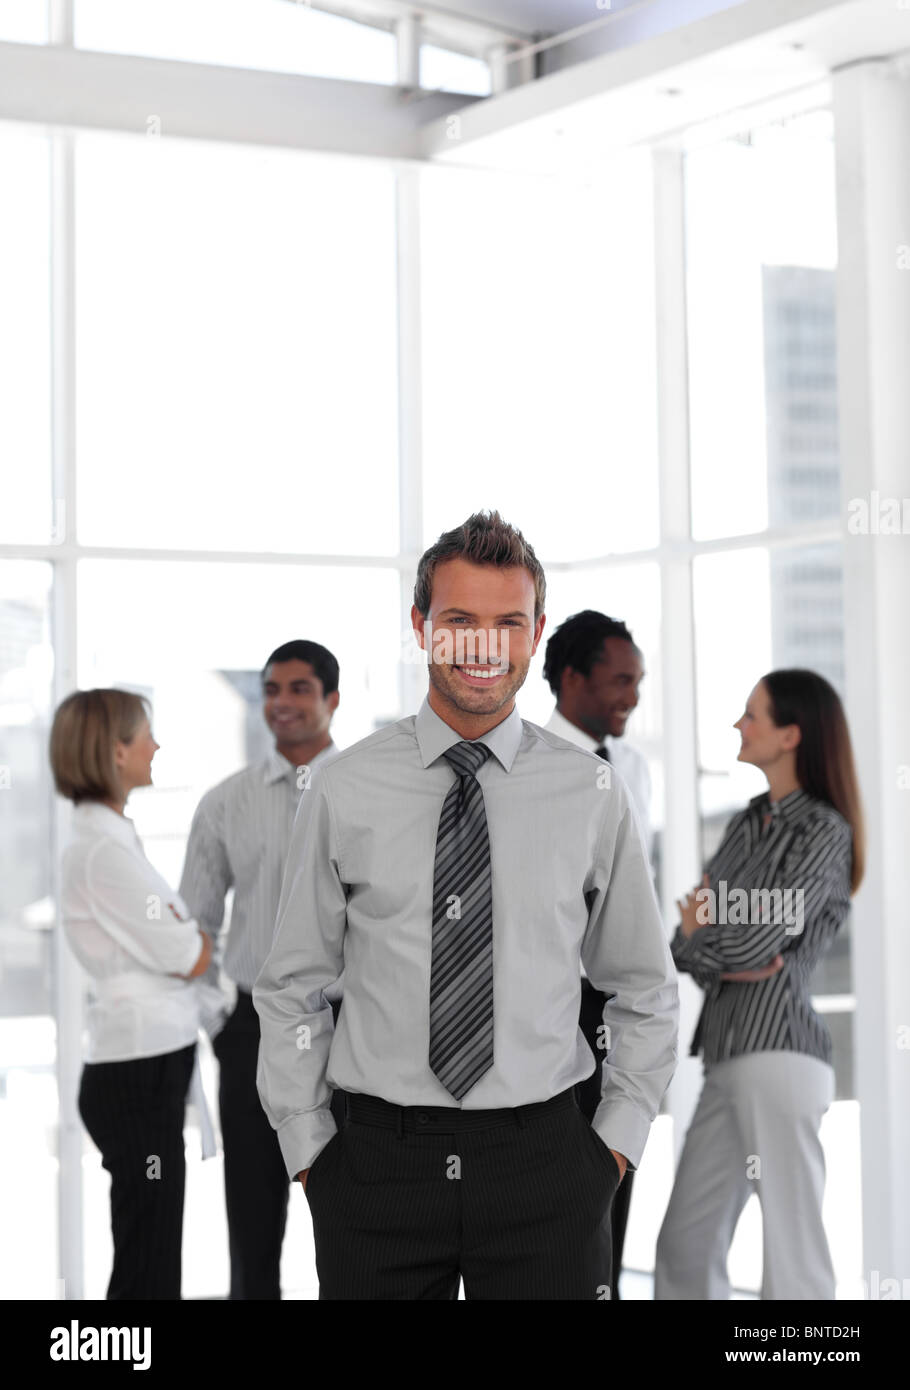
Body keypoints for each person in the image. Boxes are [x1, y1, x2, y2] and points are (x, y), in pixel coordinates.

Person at [254, 510, 678, 1300]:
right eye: (459, 620)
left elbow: (643, 985)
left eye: (508, 622)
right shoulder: (345, 788)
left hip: (547, 1165)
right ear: (421, 626)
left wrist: (612, 1149)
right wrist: (312, 1151)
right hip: (377, 1170)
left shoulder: (589, 792)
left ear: (536, 634)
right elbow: (291, 985)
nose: (484, 645)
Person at [655, 669, 864, 1301]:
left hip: (782, 1057)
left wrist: (711, 932)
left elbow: (744, 939)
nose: (738, 726)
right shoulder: (748, 824)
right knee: (684, 1248)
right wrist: (715, 936)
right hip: (724, 1057)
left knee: (792, 1256)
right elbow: (687, 944)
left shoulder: (824, 831)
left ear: (791, 734)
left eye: (752, 715)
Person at [179, 639, 342, 1300]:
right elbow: (194, 923)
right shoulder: (226, 802)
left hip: (350, 1025)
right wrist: (219, 1018)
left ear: (332, 699)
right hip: (251, 1029)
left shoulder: (373, 793)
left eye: (300, 689)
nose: (282, 703)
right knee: (252, 1216)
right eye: (272, 689)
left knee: (352, 1215)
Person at [51, 688, 212, 1300]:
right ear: (115, 752)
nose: (156, 746)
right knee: (147, 1269)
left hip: (147, 1068)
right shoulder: (102, 854)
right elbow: (188, 951)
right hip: (137, 1075)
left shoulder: (113, 841)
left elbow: (181, 944)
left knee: (152, 1257)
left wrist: (186, 940)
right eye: (146, 734)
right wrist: (189, 940)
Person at [542, 609, 653, 1299]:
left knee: (617, 1171)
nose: (632, 695)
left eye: (638, 681)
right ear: (572, 678)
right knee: (552, 1187)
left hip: (624, 1001)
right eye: (619, 680)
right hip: (556, 1003)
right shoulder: (528, 765)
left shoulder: (634, 768)